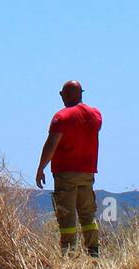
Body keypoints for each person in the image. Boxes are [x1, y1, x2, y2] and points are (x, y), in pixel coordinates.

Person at [35, 80, 103, 256]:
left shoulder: (61, 117)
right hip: (87, 173)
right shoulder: (95, 115)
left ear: (66, 94)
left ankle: (68, 254)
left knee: (67, 215)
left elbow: (51, 145)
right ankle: (93, 252)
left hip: (65, 173)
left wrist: (41, 168)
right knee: (88, 214)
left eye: (62, 94)